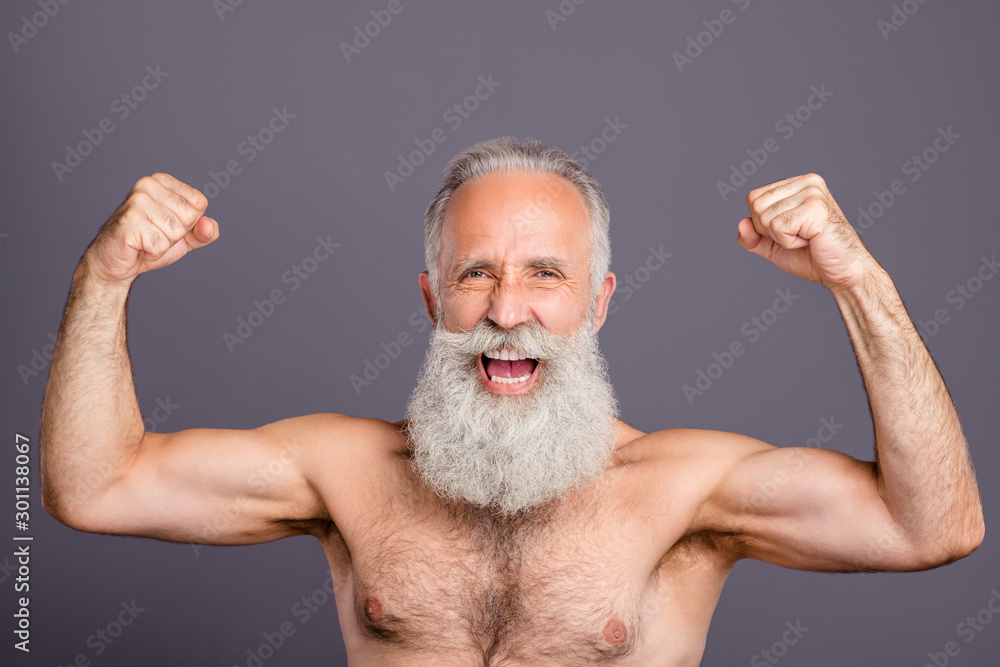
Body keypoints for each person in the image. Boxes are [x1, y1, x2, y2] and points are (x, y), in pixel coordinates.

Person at [40, 137, 984, 666]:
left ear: (600, 302)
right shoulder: (348, 470)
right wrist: (105, 276)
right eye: (475, 274)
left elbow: (931, 525)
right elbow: (97, 486)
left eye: (545, 274)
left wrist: (858, 281)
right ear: (430, 297)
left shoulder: (684, 491)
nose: (506, 311)